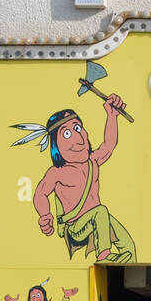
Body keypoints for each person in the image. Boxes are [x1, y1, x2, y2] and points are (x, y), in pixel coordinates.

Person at [30, 98, 136, 264]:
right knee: (100, 211)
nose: (78, 138)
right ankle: (104, 255)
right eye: (66, 134)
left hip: (98, 221)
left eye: (78, 128)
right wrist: (45, 215)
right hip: (75, 228)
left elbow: (109, 144)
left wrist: (112, 115)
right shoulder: (57, 172)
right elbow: (40, 193)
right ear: (56, 145)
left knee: (128, 245)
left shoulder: (92, 162)